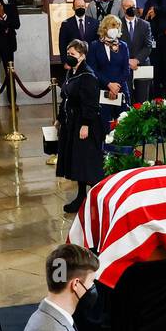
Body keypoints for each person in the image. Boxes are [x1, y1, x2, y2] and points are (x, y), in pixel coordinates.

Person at [56, 39, 104, 213]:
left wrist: (85, 125)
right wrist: (60, 118)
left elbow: (91, 103)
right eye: (68, 54)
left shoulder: (88, 76)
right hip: (71, 122)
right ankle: (81, 195)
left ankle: (96, 196)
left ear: (82, 56)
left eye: (73, 54)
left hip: (85, 124)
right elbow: (65, 98)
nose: (69, 57)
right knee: (76, 161)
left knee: (86, 161)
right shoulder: (71, 73)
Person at [87, 14, 131, 134]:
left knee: (124, 126)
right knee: (103, 127)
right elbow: (92, 69)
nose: (115, 28)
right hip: (102, 91)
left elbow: (126, 70)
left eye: (117, 26)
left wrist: (116, 86)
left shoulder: (123, 46)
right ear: (105, 28)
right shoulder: (95, 46)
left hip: (120, 90)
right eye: (112, 25)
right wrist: (108, 84)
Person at [121, 0, 155, 104]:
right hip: (124, 66)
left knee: (143, 101)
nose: (131, 8)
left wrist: (137, 60)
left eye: (133, 6)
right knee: (127, 99)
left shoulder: (145, 25)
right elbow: (115, 46)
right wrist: (128, 61)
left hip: (143, 65)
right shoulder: (117, 25)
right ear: (123, 8)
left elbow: (148, 46)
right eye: (127, 6)